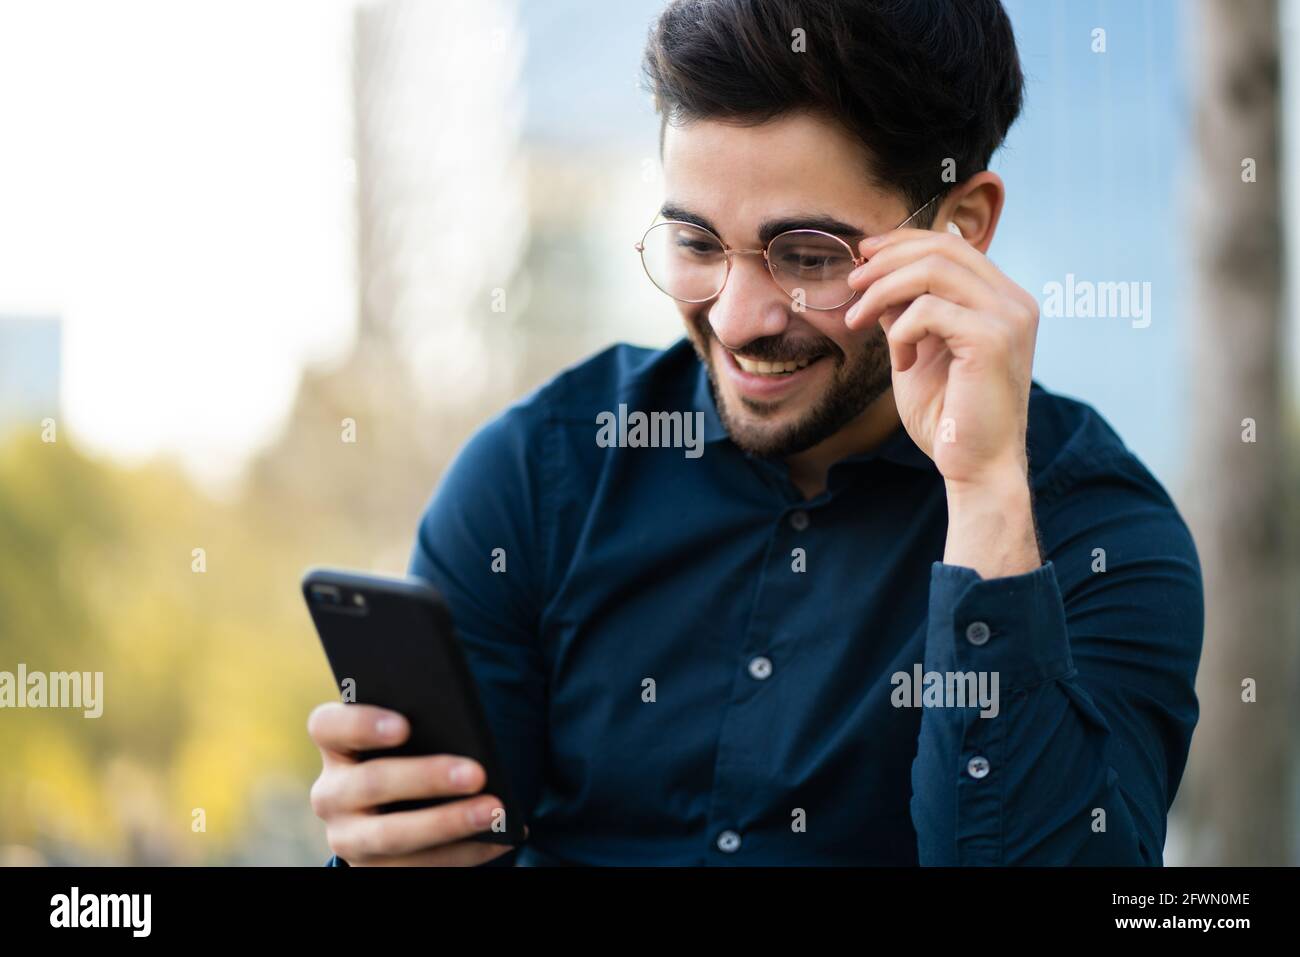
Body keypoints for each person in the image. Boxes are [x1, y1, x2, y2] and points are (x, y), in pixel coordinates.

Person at [307, 0, 1202, 866]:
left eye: (808, 255)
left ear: (960, 228)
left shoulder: (1097, 536)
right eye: (697, 243)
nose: (736, 320)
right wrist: (391, 851)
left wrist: (984, 498)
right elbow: (443, 837)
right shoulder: (538, 475)